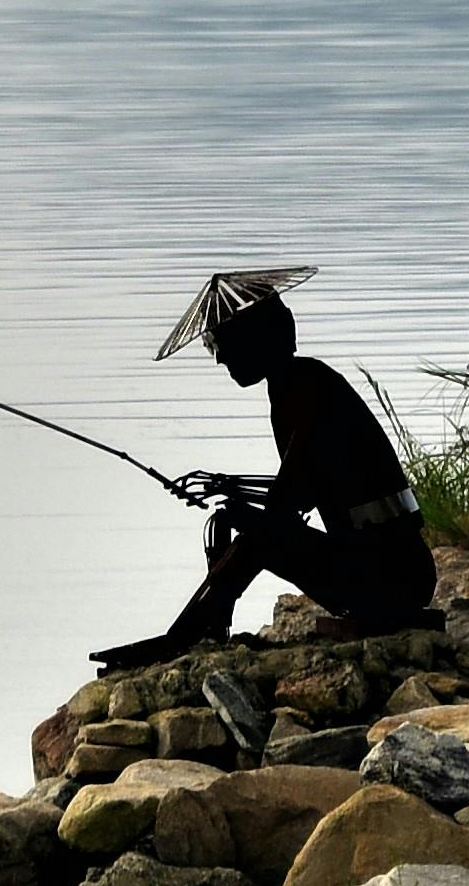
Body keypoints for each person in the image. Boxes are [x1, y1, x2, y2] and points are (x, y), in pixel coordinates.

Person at [94, 265, 433, 669]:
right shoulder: (294, 385)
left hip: (390, 578)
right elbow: (304, 486)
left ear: (256, 340)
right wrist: (225, 485)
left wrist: (231, 490)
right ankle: (205, 628)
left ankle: (185, 636)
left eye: (224, 343)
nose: (221, 359)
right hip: (376, 569)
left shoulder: (307, 388)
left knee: (256, 536)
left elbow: (288, 500)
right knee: (233, 520)